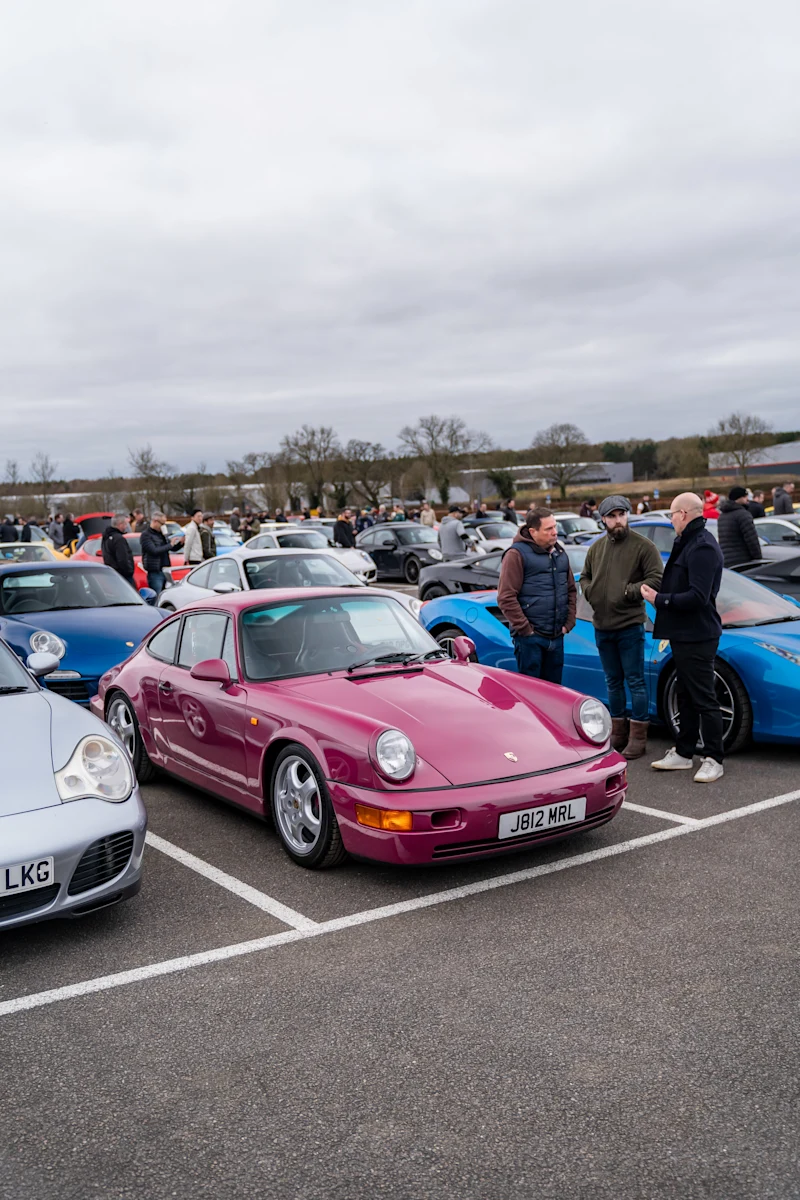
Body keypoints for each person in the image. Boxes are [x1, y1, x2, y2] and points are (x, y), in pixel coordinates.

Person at [641, 493, 725, 783]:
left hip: (698, 634)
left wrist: (659, 600)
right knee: (686, 695)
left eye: (673, 514)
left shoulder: (702, 546)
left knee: (703, 697)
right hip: (681, 633)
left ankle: (714, 757)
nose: (671, 519)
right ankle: (684, 752)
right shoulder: (685, 541)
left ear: (685, 513)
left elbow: (699, 597)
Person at [579, 496, 663, 758]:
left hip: (630, 625)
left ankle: (638, 737)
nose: (618, 520)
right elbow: (585, 576)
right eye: (612, 516)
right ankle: (617, 732)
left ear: (627, 516)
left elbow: (657, 578)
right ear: (603, 519)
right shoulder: (596, 548)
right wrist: (591, 591)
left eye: (622, 515)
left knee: (635, 681)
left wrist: (628, 592)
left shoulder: (643, 546)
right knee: (612, 681)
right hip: (602, 626)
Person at [497, 507, 577, 683]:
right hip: (530, 641)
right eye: (549, 529)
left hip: (557, 637)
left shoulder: (560, 553)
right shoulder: (516, 554)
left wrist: (568, 622)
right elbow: (506, 597)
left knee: (554, 693)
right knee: (532, 694)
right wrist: (526, 630)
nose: (555, 532)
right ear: (532, 532)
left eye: (555, 527)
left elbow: (571, 589)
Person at [717, 486, 761, 567]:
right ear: (738, 498)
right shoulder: (743, 515)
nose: (747, 499)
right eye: (745, 496)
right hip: (743, 561)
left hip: (727, 561)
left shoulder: (722, 516)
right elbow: (752, 539)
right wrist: (758, 558)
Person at [140, 512, 173, 594]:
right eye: (162, 523)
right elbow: (154, 551)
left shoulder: (162, 534)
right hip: (155, 571)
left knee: (164, 596)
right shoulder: (146, 535)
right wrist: (170, 545)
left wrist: (179, 543)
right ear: (155, 521)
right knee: (156, 596)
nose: (163, 526)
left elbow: (170, 547)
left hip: (165, 570)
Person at [101, 513, 136, 587]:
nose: (126, 526)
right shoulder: (119, 539)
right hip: (123, 576)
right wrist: (129, 571)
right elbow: (123, 558)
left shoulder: (106, 537)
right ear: (120, 524)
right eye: (126, 524)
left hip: (112, 574)